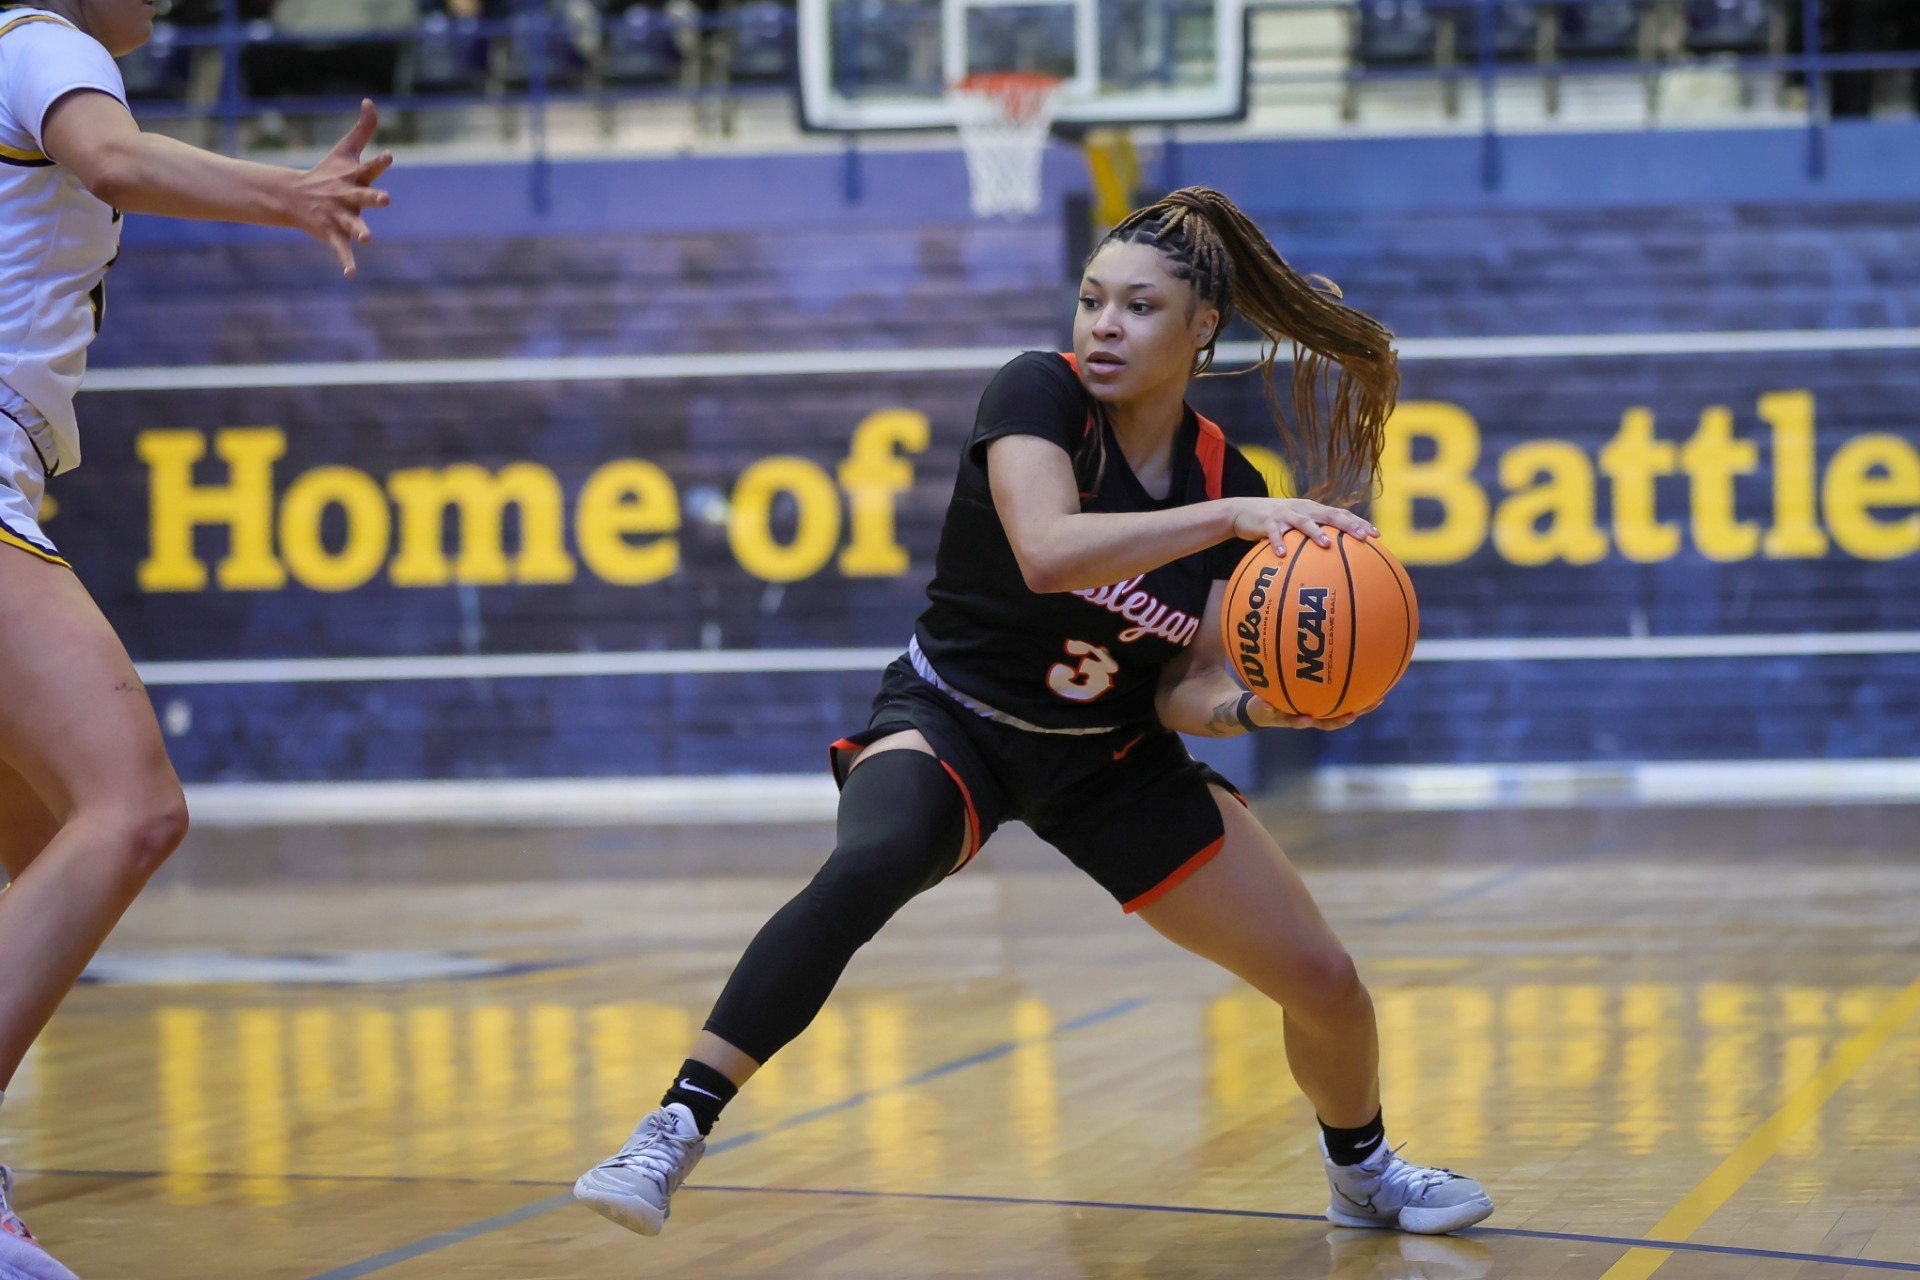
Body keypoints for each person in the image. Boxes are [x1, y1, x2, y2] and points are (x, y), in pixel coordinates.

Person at [573, 187, 1494, 1239]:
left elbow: (1177, 684)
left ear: (1201, 329)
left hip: (1108, 755)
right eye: (1093, 298)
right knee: (875, 859)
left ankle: (1365, 1169)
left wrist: (1256, 704)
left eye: (1139, 307)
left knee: (1323, 977)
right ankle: (672, 1128)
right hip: (954, 712)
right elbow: (1049, 550)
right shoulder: (1038, 395)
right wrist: (1238, 515)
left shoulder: (1217, 482)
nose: (1104, 324)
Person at [0, 0, 391, 1271]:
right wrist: (294, 194)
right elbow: (111, 160)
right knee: (131, 810)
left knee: (50, 847)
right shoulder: (45, 43)